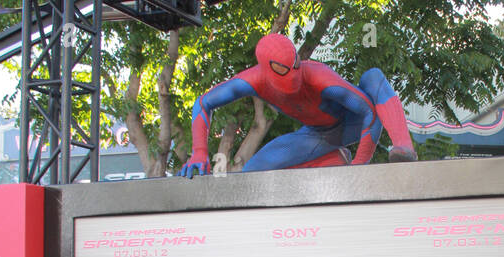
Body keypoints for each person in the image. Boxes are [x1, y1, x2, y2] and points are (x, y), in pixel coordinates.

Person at [178, 32, 417, 175]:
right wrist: (199, 152)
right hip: (319, 134)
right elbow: (203, 103)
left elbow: (370, 116)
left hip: (352, 122)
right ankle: (331, 159)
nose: (292, 79)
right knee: (252, 173)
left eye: (295, 70)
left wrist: (359, 166)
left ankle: (404, 146)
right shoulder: (252, 80)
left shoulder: (320, 77)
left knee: (373, 77)